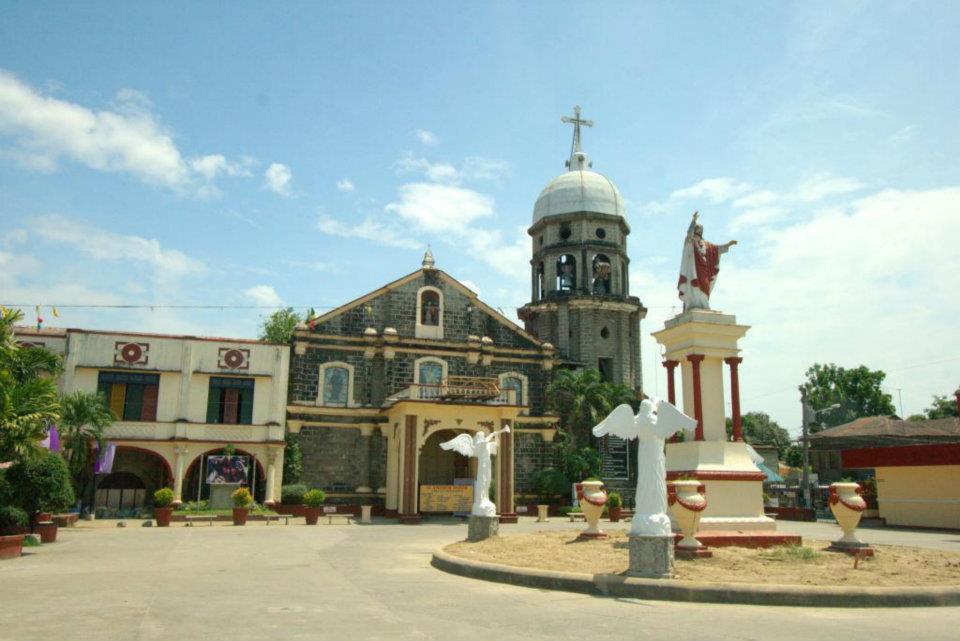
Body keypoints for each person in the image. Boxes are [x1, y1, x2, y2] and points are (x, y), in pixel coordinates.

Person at [677, 211, 737, 311]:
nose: (699, 232)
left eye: (701, 230)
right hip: (694, 269)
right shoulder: (691, 242)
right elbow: (689, 235)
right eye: (698, 230)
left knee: (704, 286)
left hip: (704, 270)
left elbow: (717, 249)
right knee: (694, 286)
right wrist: (693, 221)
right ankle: (693, 305)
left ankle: (703, 305)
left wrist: (729, 244)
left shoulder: (707, 245)